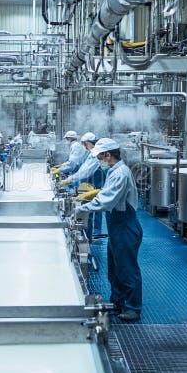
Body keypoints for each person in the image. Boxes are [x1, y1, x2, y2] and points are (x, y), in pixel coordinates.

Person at [76, 138, 143, 322]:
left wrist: (82, 208)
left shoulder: (121, 173)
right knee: (115, 268)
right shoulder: (114, 171)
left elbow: (107, 200)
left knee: (128, 269)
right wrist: (94, 193)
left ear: (108, 155)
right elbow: (106, 193)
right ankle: (118, 302)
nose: (98, 160)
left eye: (99, 156)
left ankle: (133, 308)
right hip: (116, 226)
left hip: (125, 226)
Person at [59, 132, 106, 238]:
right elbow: (84, 168)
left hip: (97, 183)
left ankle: (94, 232)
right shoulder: (91, 153)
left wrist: (69, 180)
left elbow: (85, 171)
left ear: (89, 142)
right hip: (91, 183)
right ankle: (90, 233)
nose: (84, 146)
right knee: (91, 208)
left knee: (95, 207)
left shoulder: (95, 154)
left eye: (85, 144)